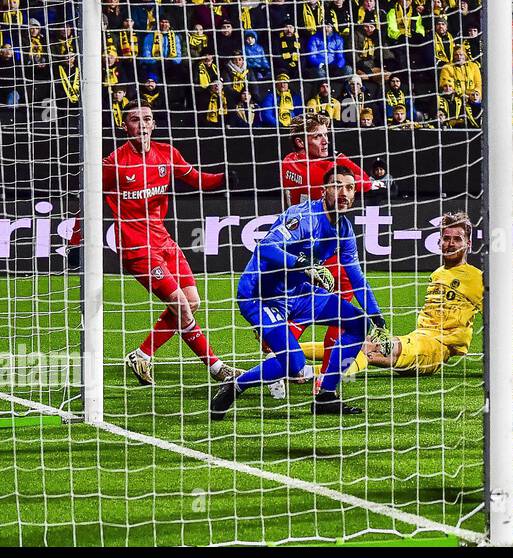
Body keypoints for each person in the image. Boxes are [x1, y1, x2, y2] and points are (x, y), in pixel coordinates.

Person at [211, 166, 382, 419]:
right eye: (336, 185)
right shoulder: (302, 217)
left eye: (349, 187)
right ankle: (236, 385)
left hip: (299, 294)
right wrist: (304, 265)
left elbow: (356, 277)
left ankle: (325, 396)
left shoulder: (344, 229)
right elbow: (265, 248)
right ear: (324, 190)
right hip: (261, 296)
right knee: (295, 365)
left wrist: (378, 319)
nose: (343, 192)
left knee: (358, 323)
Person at [94, 102, 238, 387]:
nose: (143, 125)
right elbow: (89, 196)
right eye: (135, 120)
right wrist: (76, 235)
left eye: (147, 119)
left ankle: (142, 354)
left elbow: (194, 178)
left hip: (163, 240)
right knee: (181, 305)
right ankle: (217, 367)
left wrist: (222, 179)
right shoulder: (114, 163)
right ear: (125, 127)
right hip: (136, 248)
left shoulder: (167, 154)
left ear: (154, 124)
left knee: (192, 301)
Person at [277, 113, 382, 394]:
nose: (325, 140)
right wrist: (352, 166)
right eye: (318, 136)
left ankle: (279, 356)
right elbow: (362, 183)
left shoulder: (288, 162)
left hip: (296, 245)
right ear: (301, 141)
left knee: (299, 309)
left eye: (326, 134)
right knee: (343, 307)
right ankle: (323, 380)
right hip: (322, 247)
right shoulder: (325, 168)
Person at [354, 212, 479, 375]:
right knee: (353, 343)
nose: (451, 244)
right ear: (440, 241)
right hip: (418, 339)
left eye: (457, 239)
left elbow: (496, 320)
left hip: (434, 349)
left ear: (468, 243)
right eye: (447, 238)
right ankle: (309, 366)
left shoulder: (476, 278)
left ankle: (321, 381)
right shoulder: (437, 274)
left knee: (371, 349)